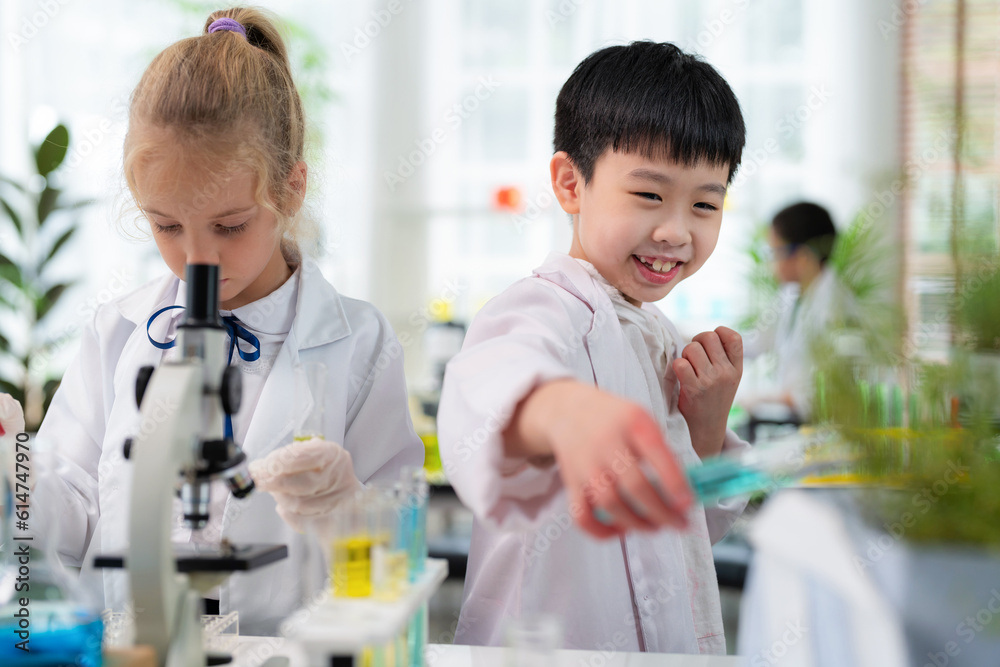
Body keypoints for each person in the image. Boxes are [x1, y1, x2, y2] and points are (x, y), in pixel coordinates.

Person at [20, 8, 422, 636]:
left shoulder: (360, 346)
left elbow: (398, 554)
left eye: (230, 226)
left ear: (290, 190)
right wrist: (13, 480)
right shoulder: (115, 335)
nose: (197, 259)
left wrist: (348, 510)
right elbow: (65, 514)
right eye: (166, 226)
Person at [437, 42, 749, 654]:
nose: (677, 231)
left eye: (705, 204)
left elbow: (683, 534)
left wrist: (706, 428)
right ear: (570, 183)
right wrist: (564, 412)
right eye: (649, 196)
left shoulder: (658, 337)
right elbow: (494, 384)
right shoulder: (542, 308)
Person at [743, 201, 857, 421]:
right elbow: (754, 343)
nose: (771, 263)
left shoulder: (835, 308)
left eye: (775, 252)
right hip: (795, 419)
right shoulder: (792, 294)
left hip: (823, 424)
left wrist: (766, 397)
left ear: (803, 256)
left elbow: (821, 393)